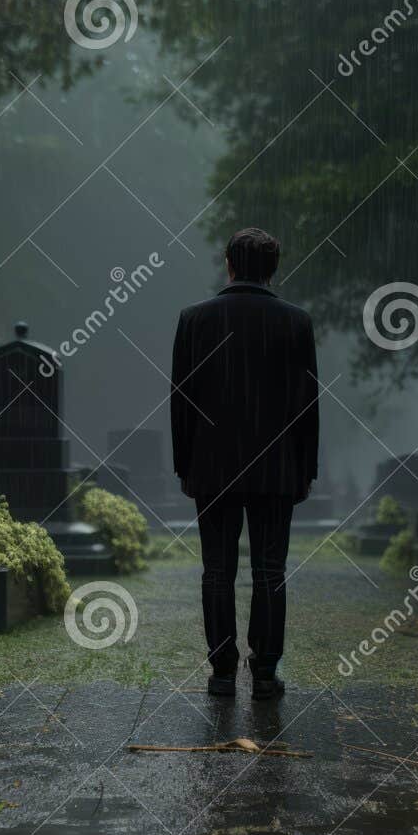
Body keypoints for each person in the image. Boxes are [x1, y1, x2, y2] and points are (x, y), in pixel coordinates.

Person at [170, 228, 320, 699]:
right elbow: (308, 405)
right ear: (273, 269)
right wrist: (305, 469)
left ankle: (221, 672)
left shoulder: (194, 320)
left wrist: (184, 464)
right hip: (276, 469)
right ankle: (266, 673)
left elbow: (182, 400)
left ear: (229, 264)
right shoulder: (296, 322)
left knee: (217, 570)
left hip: (212, 467)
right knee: (270, 571)